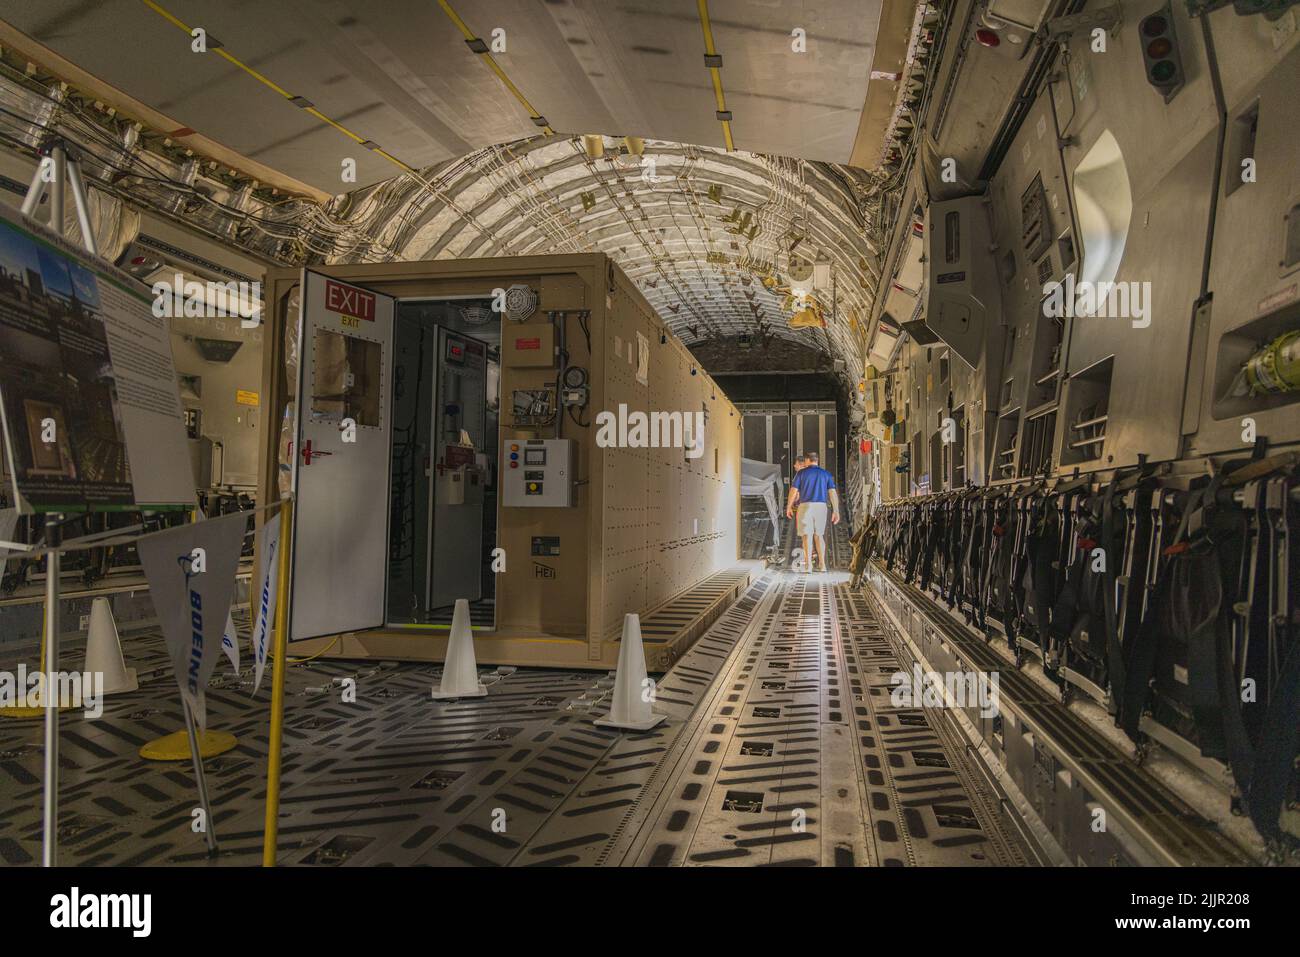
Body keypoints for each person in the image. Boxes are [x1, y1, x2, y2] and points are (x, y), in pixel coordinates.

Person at [785, 451, 839, 573]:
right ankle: (822, 565)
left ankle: (809, 566)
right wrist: (836, 510)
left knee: (806, 536)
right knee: (819, 535)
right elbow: (832, 493)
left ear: (807, 461)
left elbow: (793, 491)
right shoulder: (826, 474)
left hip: (805, 506)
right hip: (821, 507)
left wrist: (788, 507)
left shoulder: (801, 473)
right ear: (817, 460)